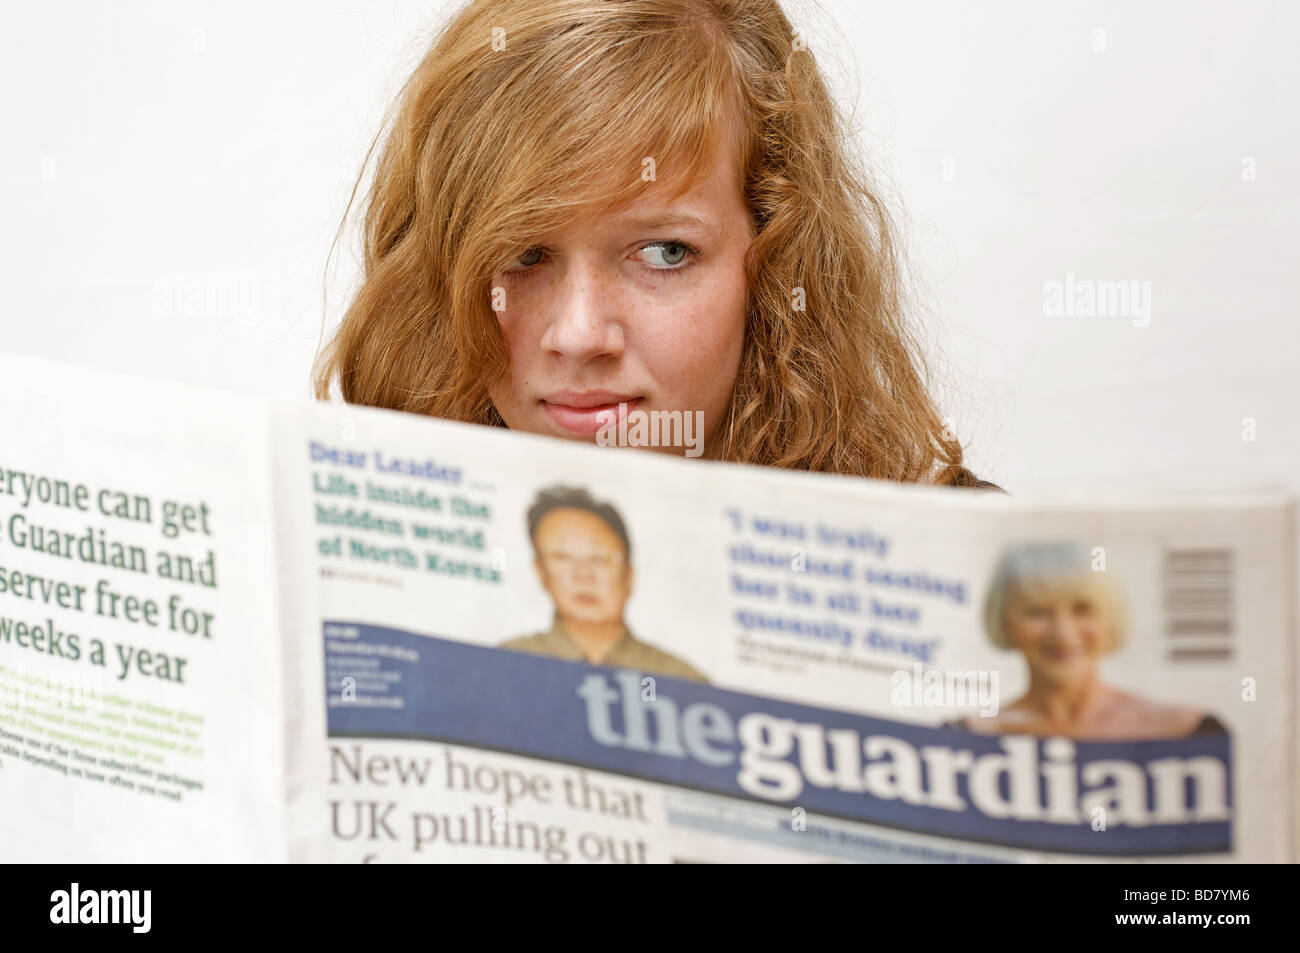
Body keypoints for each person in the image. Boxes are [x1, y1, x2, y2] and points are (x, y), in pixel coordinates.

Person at [312, 0, 1001, 490]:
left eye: (665, 252)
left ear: (774, 260)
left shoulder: (974, 575)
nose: (579, 336)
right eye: (523, 254)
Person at [945, 541, 1225, 740]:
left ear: (1109, 616)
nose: (1063, 633)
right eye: (1038, 612)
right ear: (1005, 622)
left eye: (1082, 609)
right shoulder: (964, 737)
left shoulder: (1187, 729)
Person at [500, 485, 708, 682]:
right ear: (541, 572)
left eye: (600, 558)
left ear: (629, 576)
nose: (583, 574)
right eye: (562, 557)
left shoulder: (676, 677)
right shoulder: (507, 664)